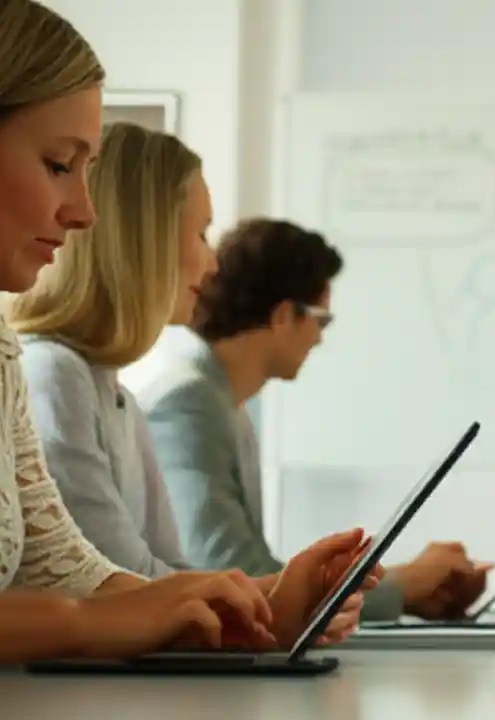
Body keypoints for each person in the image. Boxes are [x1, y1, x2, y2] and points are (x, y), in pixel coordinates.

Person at [0, 0, 365, 662]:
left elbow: (72, 570)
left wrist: (255, 607)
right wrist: (105, 620)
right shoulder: (57, 371)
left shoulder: (7, 352)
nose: (83, 213)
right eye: (58, 164)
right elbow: (93, 602)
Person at [130, 217, 488, 620]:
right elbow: (232, 574)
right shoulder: (189, 406)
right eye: (322, 320)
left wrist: (404, 591)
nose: (320, 337)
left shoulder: (223, 403)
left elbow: (253, 575)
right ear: (284, 315)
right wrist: (400, 585)